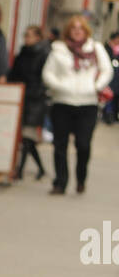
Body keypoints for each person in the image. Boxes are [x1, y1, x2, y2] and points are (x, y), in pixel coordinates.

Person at [41, 14, 113, 194]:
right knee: (60, 144)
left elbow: (107, 70)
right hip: (62, 102)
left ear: (86, 31)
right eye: (74, 29)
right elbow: (47, 74)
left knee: (83, 144)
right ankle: (60, 182)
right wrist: (59, 86)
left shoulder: (95, 48)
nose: (77, 32)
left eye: (80, 29)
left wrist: (96, 86)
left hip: (87, 103)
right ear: (68, 31)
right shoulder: (59, 50)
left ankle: (81, 178)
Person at [8, 24, 51, 180]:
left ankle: (20, 170)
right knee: (28, 139)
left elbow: (45, 78)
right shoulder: (22, 54)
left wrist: (39, 92)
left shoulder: (45, 55)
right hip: (21, 97)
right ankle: (40, 168)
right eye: (25, 35)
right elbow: (13, 74)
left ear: (38, 38)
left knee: (27, 136)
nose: (26, 38)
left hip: (35, 100)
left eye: (29, 35)